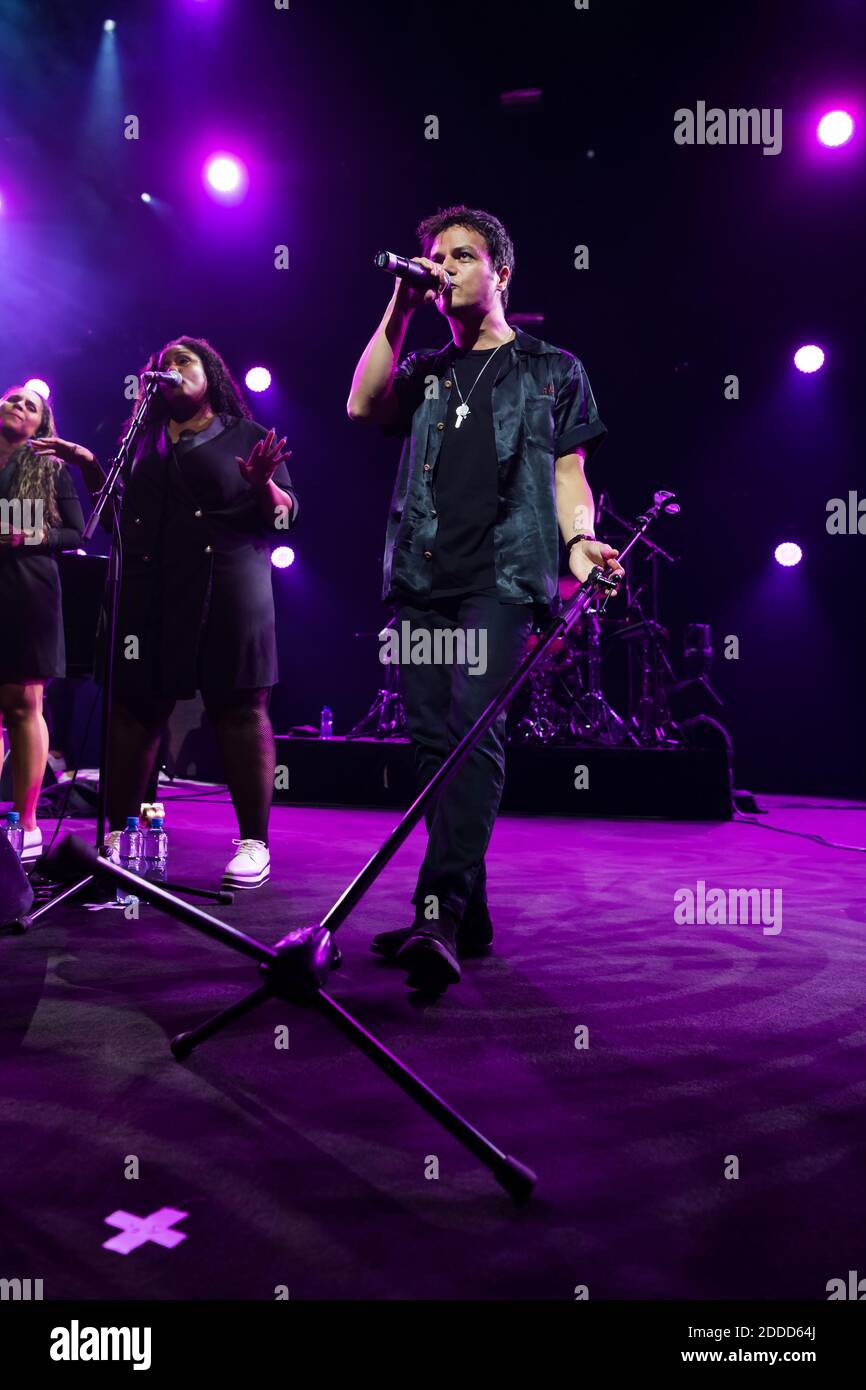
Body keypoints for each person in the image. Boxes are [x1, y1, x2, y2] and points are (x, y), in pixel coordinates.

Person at [348, 204, 624, 993]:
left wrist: (579, 543)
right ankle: (468, 911)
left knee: (471, 733)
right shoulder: (427, 371)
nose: (445, 268)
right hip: (421, 576)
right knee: (432, 740)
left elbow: (570, 474)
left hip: (503, 579)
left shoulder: (551, 369)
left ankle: (436, 910)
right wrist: (400, 305)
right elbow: (363, 406)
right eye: (436, 257)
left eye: (462, 256)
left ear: (501, 273)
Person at [33, 337, 299, 889]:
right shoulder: (142, 443)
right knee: (133, 710)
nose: (170, 369)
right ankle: (118, 838)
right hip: (152, 592)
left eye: (184, 361)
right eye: (162, 365)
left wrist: (263, 485)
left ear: (212, 374)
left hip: (229, 583)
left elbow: (284, 520)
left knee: (239, 709)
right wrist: (88, 465)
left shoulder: (245, 434)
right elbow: (118, 526)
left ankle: (254, 844)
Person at [0, 384, 85, 862]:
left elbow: (77, 530)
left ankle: (27, 823)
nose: (20, 406)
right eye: (13, 399)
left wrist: (27, 533)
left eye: (31, 406)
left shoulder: (49, 470)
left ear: (41, 427)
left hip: (29, 590)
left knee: (23, 702)